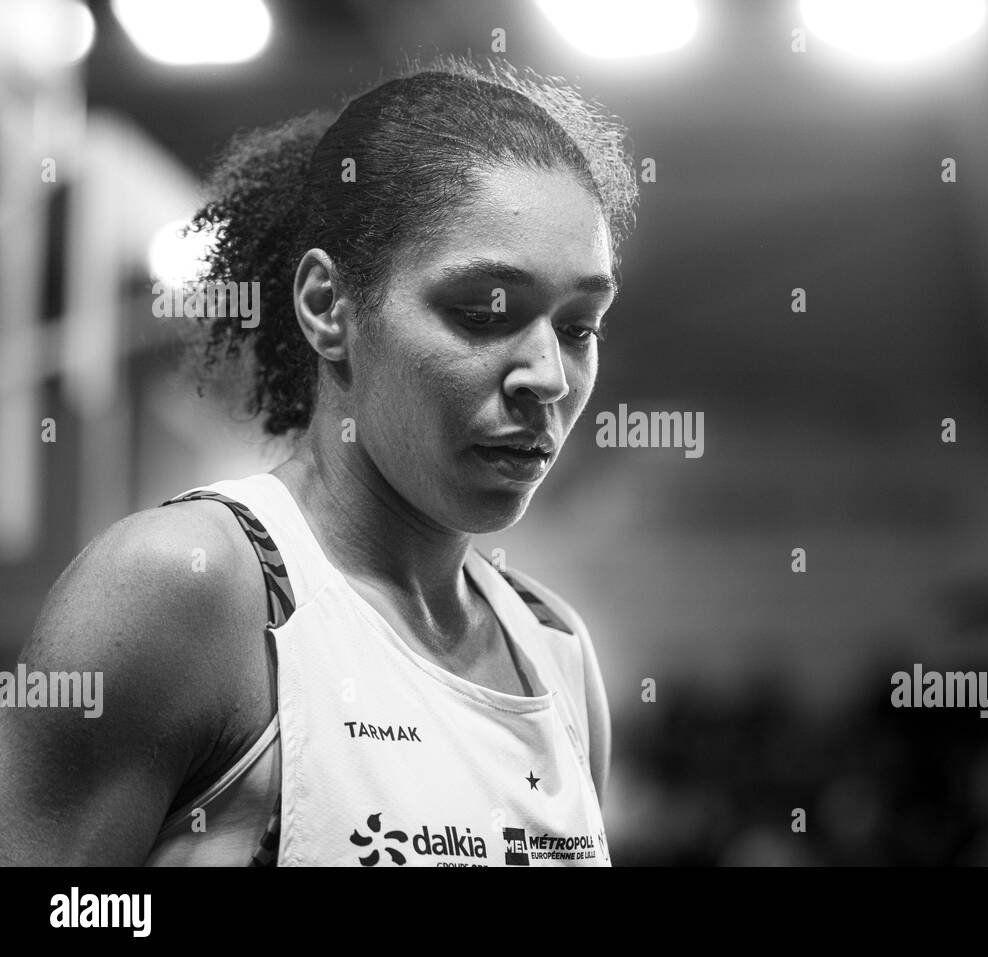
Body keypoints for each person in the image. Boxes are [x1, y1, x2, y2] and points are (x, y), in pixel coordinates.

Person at [0, 54, 638, 866]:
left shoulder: (556, 650)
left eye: (580, 327)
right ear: (327, 307)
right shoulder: (184, 589)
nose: (547, 376)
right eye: (484, 311)